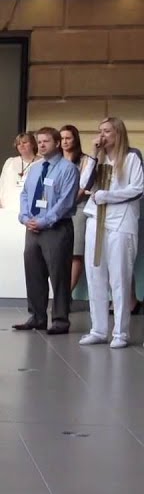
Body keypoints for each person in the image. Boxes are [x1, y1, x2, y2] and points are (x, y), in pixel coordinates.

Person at [79, 117, 143, 349]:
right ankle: (98, 329)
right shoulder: (97, 158)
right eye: (100, 131)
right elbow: (84, 184)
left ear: (118, 133)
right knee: (95, 274)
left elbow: (137, 189)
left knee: (119, 276)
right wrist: (94, 156)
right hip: (97, 220)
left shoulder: (132, 156)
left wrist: (108, 196)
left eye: (107, 131)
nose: (102, 136)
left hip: (121, 222)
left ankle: (120, 332)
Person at [13, 127, 80, 335]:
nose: (41, 145)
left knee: (58, 274)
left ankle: (60, 319)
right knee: (33, 272)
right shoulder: (35, 169)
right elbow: (25, 195)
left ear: (57, 143)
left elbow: (65, 202)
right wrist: (24, 217)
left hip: (56, 227)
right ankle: (37, 316)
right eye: (39, 141)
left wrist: (43, 221)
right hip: (33, 228)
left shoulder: (68, 169)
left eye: (46, 142)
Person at [61, 124, 93, 295]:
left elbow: (83, 187)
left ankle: (66, 295)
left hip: (77, 207)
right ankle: (58, 294)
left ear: (75, 139)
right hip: (56, 211)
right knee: (59, 254)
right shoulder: (54, 160)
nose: (65, 142)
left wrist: (66, 203)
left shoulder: (86, 160)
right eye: (62, 138)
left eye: (68, 138)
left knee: (76, 252)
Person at [0, 132, 37, 212]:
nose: (21, 145)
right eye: (18, 144)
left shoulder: (42, 163)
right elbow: (1, 189)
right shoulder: (10, 162)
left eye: (25, 142)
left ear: (33, 144)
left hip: (30, 211)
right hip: (8, 209)